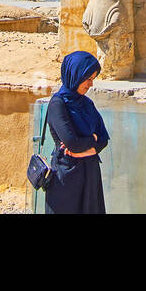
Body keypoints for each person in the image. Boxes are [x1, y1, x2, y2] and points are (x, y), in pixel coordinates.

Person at [44, 51, 109, 215]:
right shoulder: (58, 104)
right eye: (88, 79)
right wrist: (92, 139)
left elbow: (103, 138)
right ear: (75, 75)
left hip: (90, 175)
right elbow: (72, 142)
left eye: (92, 79)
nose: (90, 85)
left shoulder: (87, 104)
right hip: (67, 177)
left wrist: (86, 150)